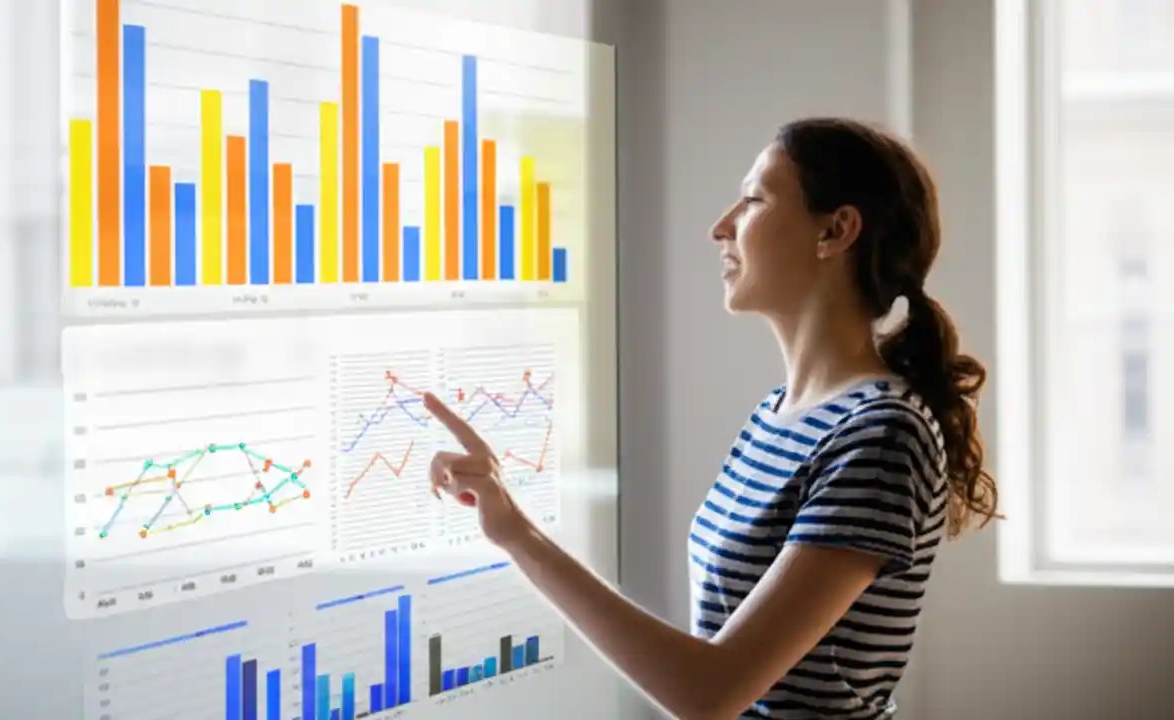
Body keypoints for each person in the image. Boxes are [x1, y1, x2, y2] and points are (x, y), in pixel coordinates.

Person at [420, 117, 998, 720]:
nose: (721, 227)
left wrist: (518, 535)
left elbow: (711, 691)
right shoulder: (776, 415)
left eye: (753, 200)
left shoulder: (881, 434)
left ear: (835, 230)